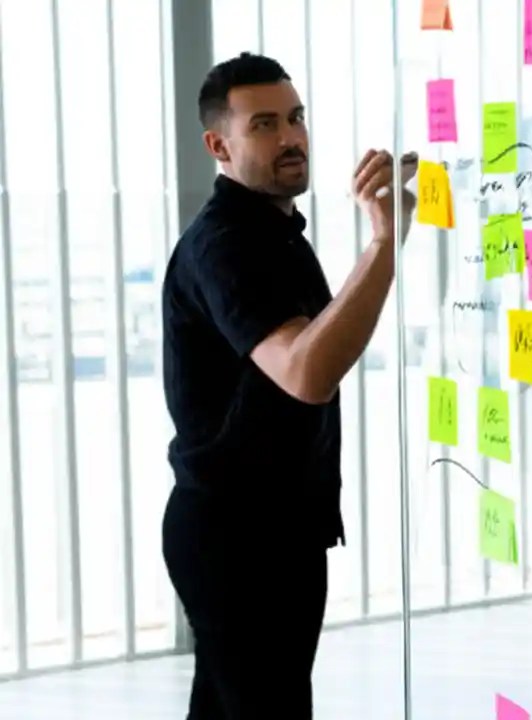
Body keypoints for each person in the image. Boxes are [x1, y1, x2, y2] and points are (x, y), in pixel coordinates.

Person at [161, 52, 416, 718]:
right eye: (266, 124)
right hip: (237, 540)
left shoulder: (271, 235)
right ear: (219, 144)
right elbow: (305, 372)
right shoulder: (228, 244)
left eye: (296, 118)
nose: (292, 137)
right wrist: (384, 245)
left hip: (265, 531)